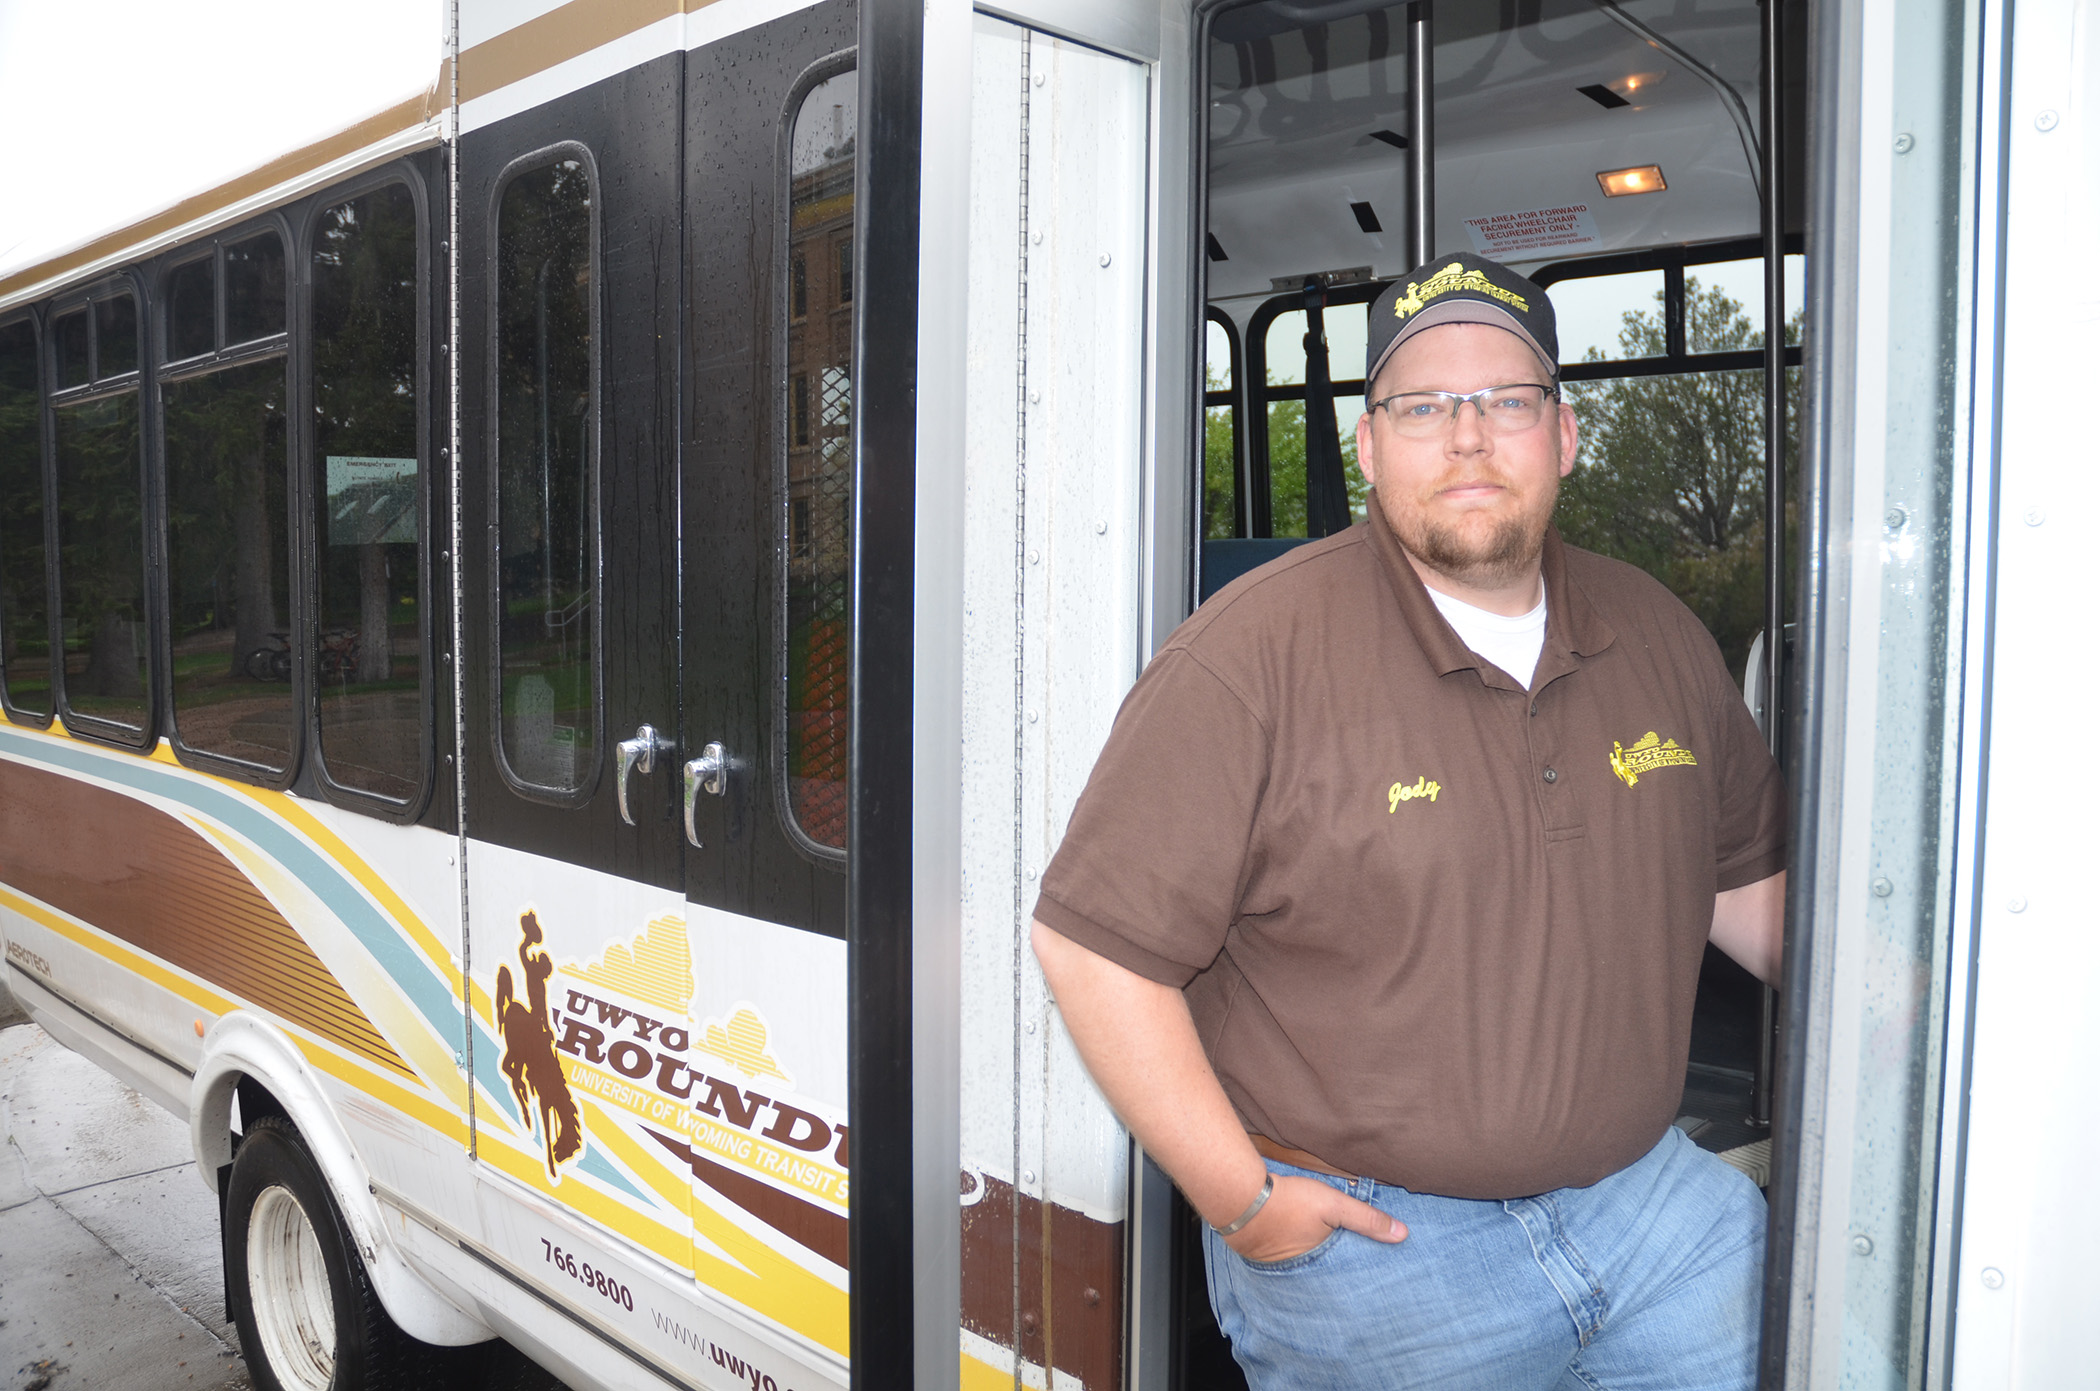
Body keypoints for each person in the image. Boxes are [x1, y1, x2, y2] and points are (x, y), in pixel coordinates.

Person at [1031, 252, 1786, 1390]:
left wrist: (1915, 1020)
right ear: (1371, 447)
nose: (1469, 437)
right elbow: (1091, 948)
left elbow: (1745, 884)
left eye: (1507, 401)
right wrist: (1245, 1203)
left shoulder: (1661, 634)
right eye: (1425, 406)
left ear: (1564, 437)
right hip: (1377, 1259)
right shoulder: (1249, 658)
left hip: (1651, 1206)